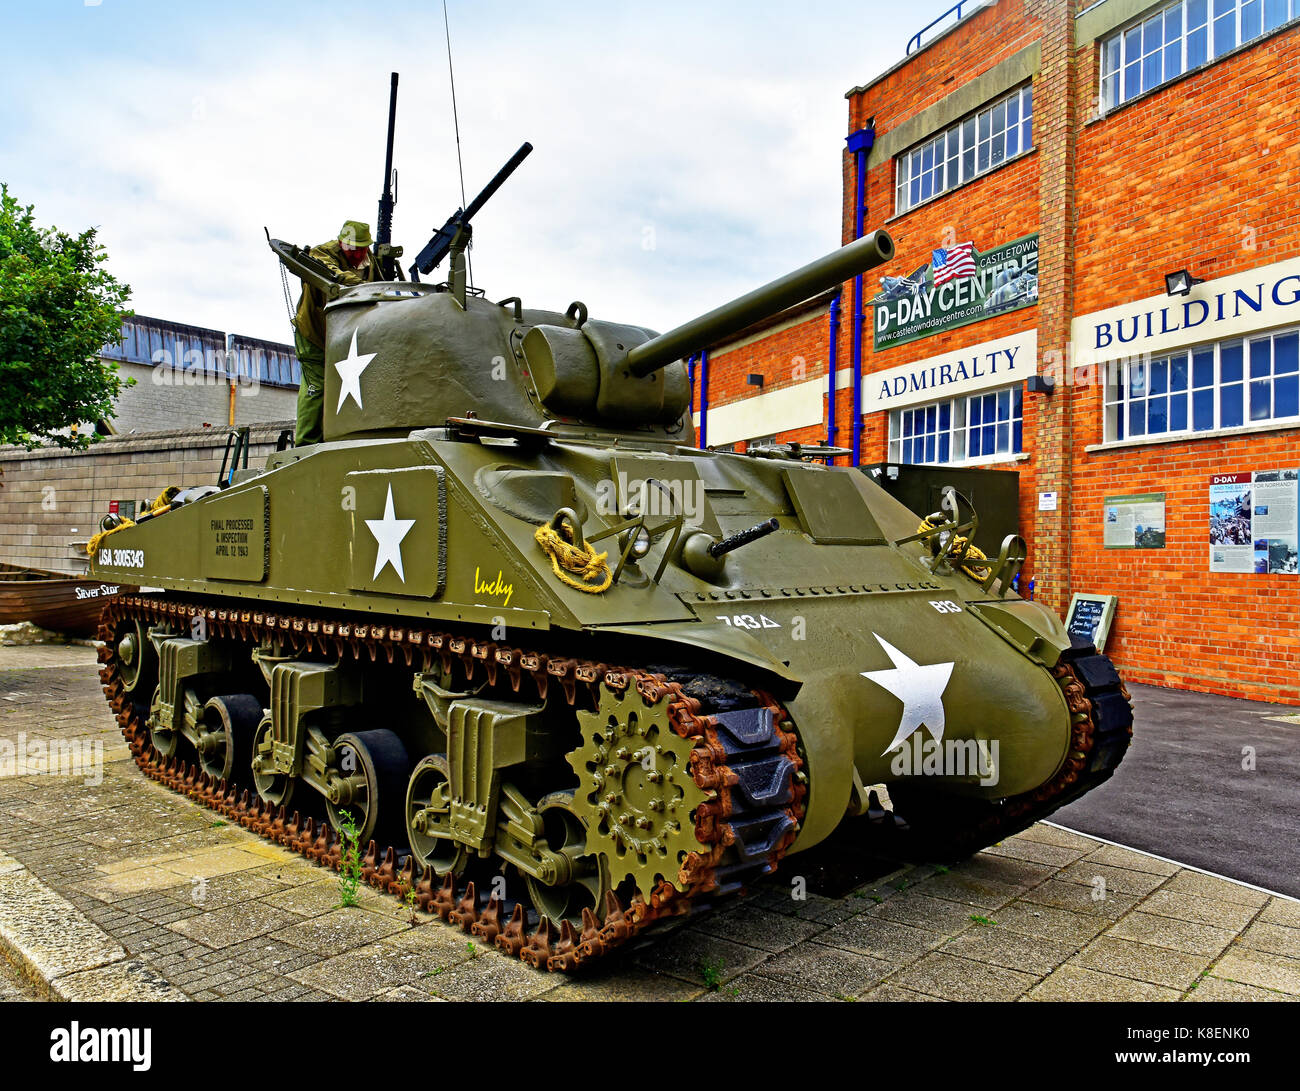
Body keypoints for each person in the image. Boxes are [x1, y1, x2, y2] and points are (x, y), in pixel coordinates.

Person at [291, 220, 399, 445]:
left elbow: (386, 289)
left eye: (360, 248)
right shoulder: (321, 254)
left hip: (348, 339)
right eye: (350, 248)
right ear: (341, 244)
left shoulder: (370, 263)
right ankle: (304, 447)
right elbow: (334, 276)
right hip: (315, 335)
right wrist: (363, 287)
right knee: (317, 388)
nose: (356, 254)